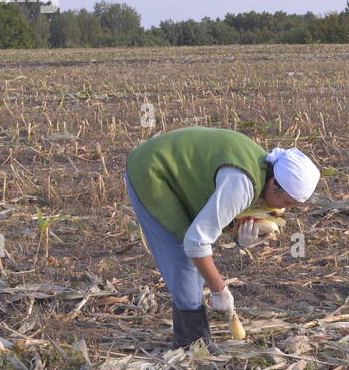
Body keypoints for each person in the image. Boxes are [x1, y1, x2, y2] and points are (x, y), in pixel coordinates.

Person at [124, 126, 319, 349]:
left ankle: (195, 338)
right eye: (288, 202)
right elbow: (196, 242)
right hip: (151, 170)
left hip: (172, 171)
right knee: (181, 255)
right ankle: (191, 345)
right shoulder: (242, 184)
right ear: (274, 183)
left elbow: (217, 213)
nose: (288, 209)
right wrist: (219, 289)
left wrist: (239, 237)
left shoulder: (263, 170)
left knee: (193, 258)